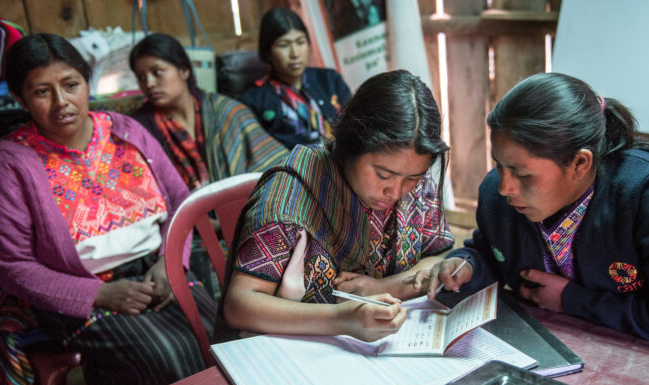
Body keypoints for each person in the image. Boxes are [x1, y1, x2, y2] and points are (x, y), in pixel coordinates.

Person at [0, 33, 215, 385]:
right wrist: (99, 294)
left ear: (87, 82)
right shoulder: (12, 162)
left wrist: (170, 263)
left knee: (218, 339)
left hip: (158, 272)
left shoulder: (125, 131)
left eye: (71, 85)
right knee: (165, 357)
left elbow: (180, 200)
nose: (61, 102)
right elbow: (12, 266)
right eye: (42, 92)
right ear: (19, 99)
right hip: (82, 295)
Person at [426, 72, 649, 343]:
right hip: (545, 347)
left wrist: (571, 300)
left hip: (643, 361)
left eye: (523, 174)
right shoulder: (497, 196)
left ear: (580, 163)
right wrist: (467, 263)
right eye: (500, 166)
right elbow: (493, 251)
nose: (505, 187)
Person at [219, 69, 453, 342]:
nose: (396, 192)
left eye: (412, 178)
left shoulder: (418, 187)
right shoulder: (290, 198)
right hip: (291, 350)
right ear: (351, 146)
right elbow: (240, 304)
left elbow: (439, 256)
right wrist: (342, 319)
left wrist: (385, 286)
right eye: (383, 174)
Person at [129, 33, 288, 190]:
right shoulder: (139, 129)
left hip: (245, 203)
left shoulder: (226, 111)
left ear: (184, 71)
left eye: (157, 72)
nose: (149, 83)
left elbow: (278, 165)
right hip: (183, 207)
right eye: (141, 77)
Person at [239, 7, 352, 149]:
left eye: (300, 42)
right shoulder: (254, 101)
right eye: (284, 45)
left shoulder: (329, 80)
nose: (295, 54)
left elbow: (354, 124)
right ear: (267, 52)